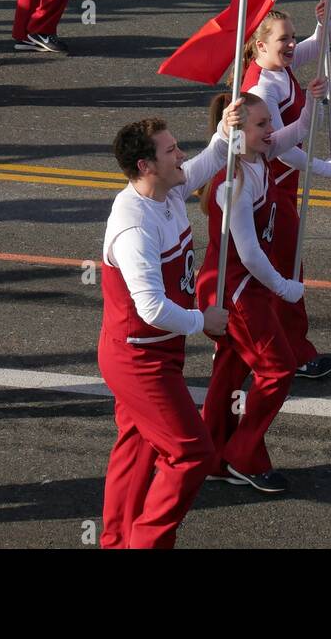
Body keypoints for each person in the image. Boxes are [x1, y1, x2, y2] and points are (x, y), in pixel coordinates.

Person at [98, 108, 239, 548]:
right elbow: (153, 308)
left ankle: (118, 541)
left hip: (155, 350)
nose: (181, 155)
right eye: (171, 149)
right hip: (139, 357)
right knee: (192, 452)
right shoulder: (134, 225)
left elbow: (208, 161)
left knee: (137, 449)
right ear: (146, 166)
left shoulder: (166, 191)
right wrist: (203, 321)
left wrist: (225, 129)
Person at [196, 87, 318, 493]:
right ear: (237, 132)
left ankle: (211, 455)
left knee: (230, 370)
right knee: (278, 368)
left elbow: (297, 132)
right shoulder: (232, 183)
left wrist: (315, 100)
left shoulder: (258, 153)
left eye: (270, 121)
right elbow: (248, 252)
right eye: (262, 123)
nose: (272, 129)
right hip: (234, 290)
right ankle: (244, 455)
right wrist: (284, 288)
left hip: (242, 287)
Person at [240, 7, 331, 380]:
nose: (292, 44)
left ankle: (263, 345)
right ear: (260, 45)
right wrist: (321, 166)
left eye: (292, 36)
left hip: (281, 185)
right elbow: (278, 147)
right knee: (286, 266)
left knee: (281, 265)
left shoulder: (278, 64)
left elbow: (322, 43)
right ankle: (294, 352)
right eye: (284, 39)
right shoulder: (262, 88)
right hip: (269, 190)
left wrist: (324, 19)